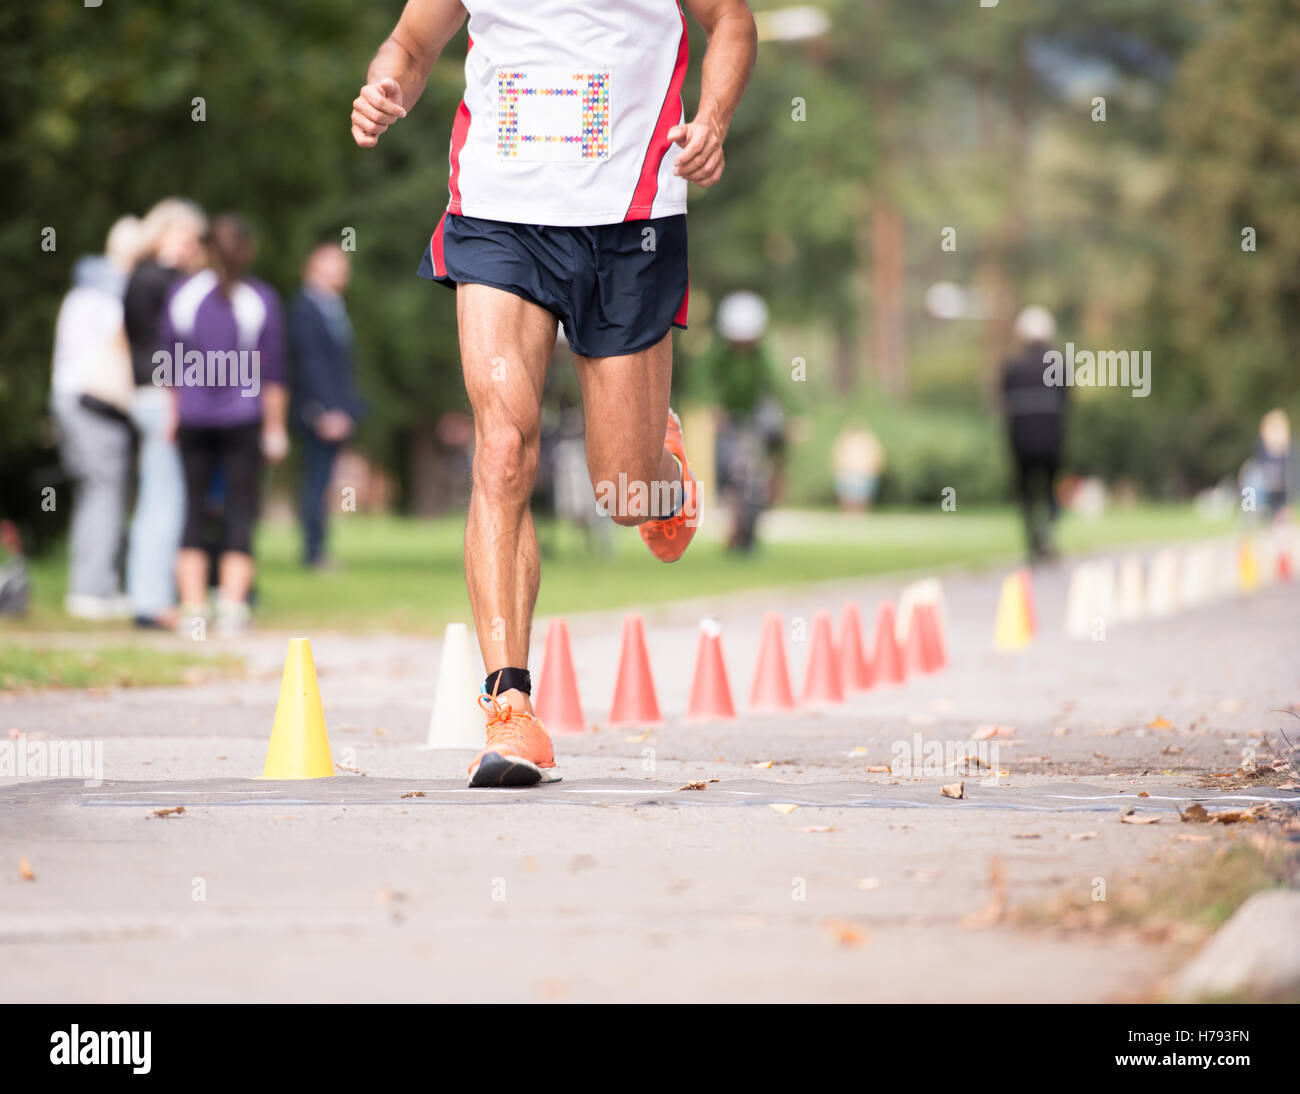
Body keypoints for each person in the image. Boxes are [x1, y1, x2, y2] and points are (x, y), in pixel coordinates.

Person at [352, 0, 757, 786]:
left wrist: (711, 121)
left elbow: (733, 20)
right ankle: (511, 709)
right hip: (500, 217)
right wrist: (385, 86)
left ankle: (662, 472)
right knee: (502, 447)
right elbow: (409, 42)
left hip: (631, 221)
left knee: (622, 489)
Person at [159, 214, 288, 635]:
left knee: (192, 511)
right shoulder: (261, 299)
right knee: (240, 513)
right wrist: (275, 428)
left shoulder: (183, 294)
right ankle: (232, 608)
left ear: (206, 250)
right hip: (242, 419)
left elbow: (168, 362)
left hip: (193, 418)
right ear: (247, 251)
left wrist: (170, 414)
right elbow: (274, 374)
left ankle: (194, 609)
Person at [49, 215, 142, 620]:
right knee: (105, 492)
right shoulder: (111, 294)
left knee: (92, 492)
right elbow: (119, 352)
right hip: (95, 404)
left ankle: (91, 585)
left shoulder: (83, 289)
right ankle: (93, 590)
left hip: (69, 397)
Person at [123, 198, 209, 628]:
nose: (191, 246)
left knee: (157, 497)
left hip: (151, 395)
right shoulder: (159, 280)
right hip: (162, 398)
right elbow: (167, 349)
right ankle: (152, 602)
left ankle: (148, 597)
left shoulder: (144, 277)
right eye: (185, 236)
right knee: (165, 501)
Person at [289, 241, 365, 568]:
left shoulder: (332, 307)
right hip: (318, 412)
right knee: (316, 482)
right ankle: (314, 552)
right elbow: (310, 364)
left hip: (335, 409)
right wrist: (325, 411)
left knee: (323, 481)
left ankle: (318, 549)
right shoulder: (306, 308)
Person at [698, 290, 785, 552]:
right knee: (728, 471)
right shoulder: (718, 354)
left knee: (770, 437)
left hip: (755, 419)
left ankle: (775, 479)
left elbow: (778, 384)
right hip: (727, 422)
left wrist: (793, 415)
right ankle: (733, 523)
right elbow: (703, 381)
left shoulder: (761, 355)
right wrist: (712, 408)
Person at [1001, 306, 1067, 562]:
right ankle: (1047, 535)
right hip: (1051, 442)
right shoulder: (1058, 365)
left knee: (1027, 492)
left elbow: (1004, 404)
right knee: (1050, 491)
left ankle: (1033, 540)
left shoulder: (1013, 367)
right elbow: (1067, 403)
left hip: (1021, 442)